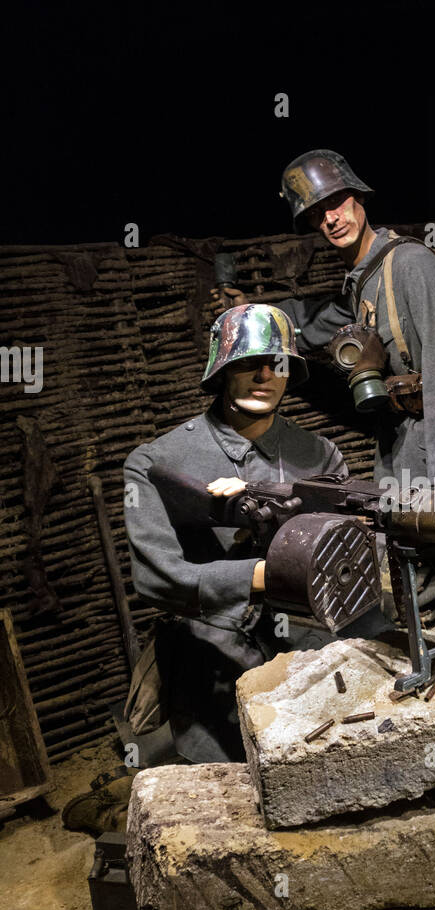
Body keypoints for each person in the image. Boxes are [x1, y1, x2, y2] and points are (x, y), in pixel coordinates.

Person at [122, 302, 348, 764]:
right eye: (247, 364)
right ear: (222, 372)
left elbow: (346, 555)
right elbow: (156, 577)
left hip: (306, 655)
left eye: (277, 365)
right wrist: (262, 575)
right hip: (211, 661)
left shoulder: (319, 457)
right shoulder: (157, 461)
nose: (264, 376)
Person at [214, 150, 435, 492]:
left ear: (358, 195)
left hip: (431, 459)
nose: (330, 219)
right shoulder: (361, 282)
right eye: (317, 214)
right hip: (396, 449)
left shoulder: (411, 264)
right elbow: (312, 322)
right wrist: (252, 309)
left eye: (336, 202)